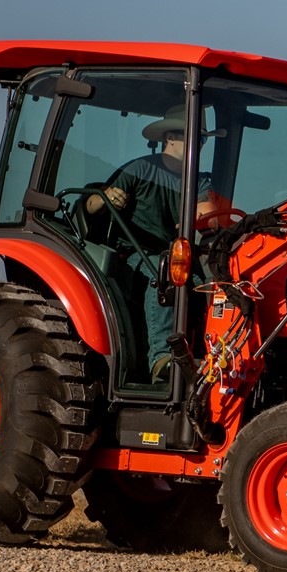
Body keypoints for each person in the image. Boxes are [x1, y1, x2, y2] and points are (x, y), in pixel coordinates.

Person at [82, 105, 225, 382]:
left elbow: (208, 214)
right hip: (136, 254)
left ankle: (207, 355)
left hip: (176, 255)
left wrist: (202, 215)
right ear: (170, 136)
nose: (200, 144)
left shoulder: (198, 180)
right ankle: (161, 358)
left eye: (203, 139)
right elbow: (91, 203)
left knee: (208, 280)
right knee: (162, 274)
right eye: (194, 137)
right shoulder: (140, 170)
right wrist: (106, 198)